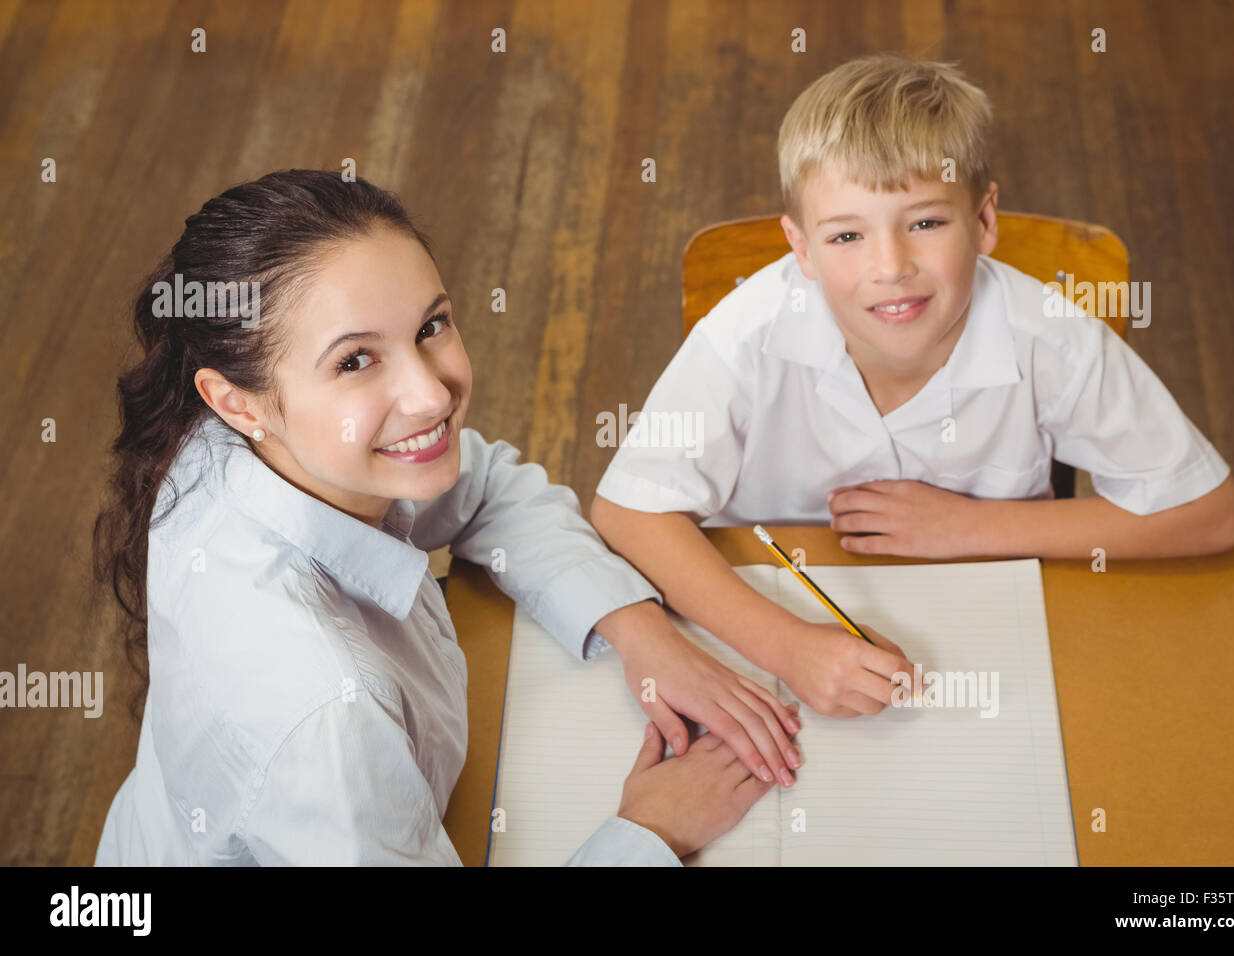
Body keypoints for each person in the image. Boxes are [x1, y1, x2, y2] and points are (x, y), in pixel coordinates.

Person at [91, 169, 801, 866]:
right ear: (237, 402)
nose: (431, 395)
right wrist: (652, 832)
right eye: (355, 360)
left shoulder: (256, 442)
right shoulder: (323, 717)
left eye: (431, 325)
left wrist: (640, 630)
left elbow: (484, 483)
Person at [590, 53, 1234, 720]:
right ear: (801, 249)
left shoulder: (1051, 338)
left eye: (926, 223)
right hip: (767, 626)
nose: (891, 267)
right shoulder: (745, 335)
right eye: (847, 234)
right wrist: (788, 648)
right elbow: (628, 512)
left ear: (985, 222)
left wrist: (973, 526)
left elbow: (1212, 513)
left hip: (988, 629)